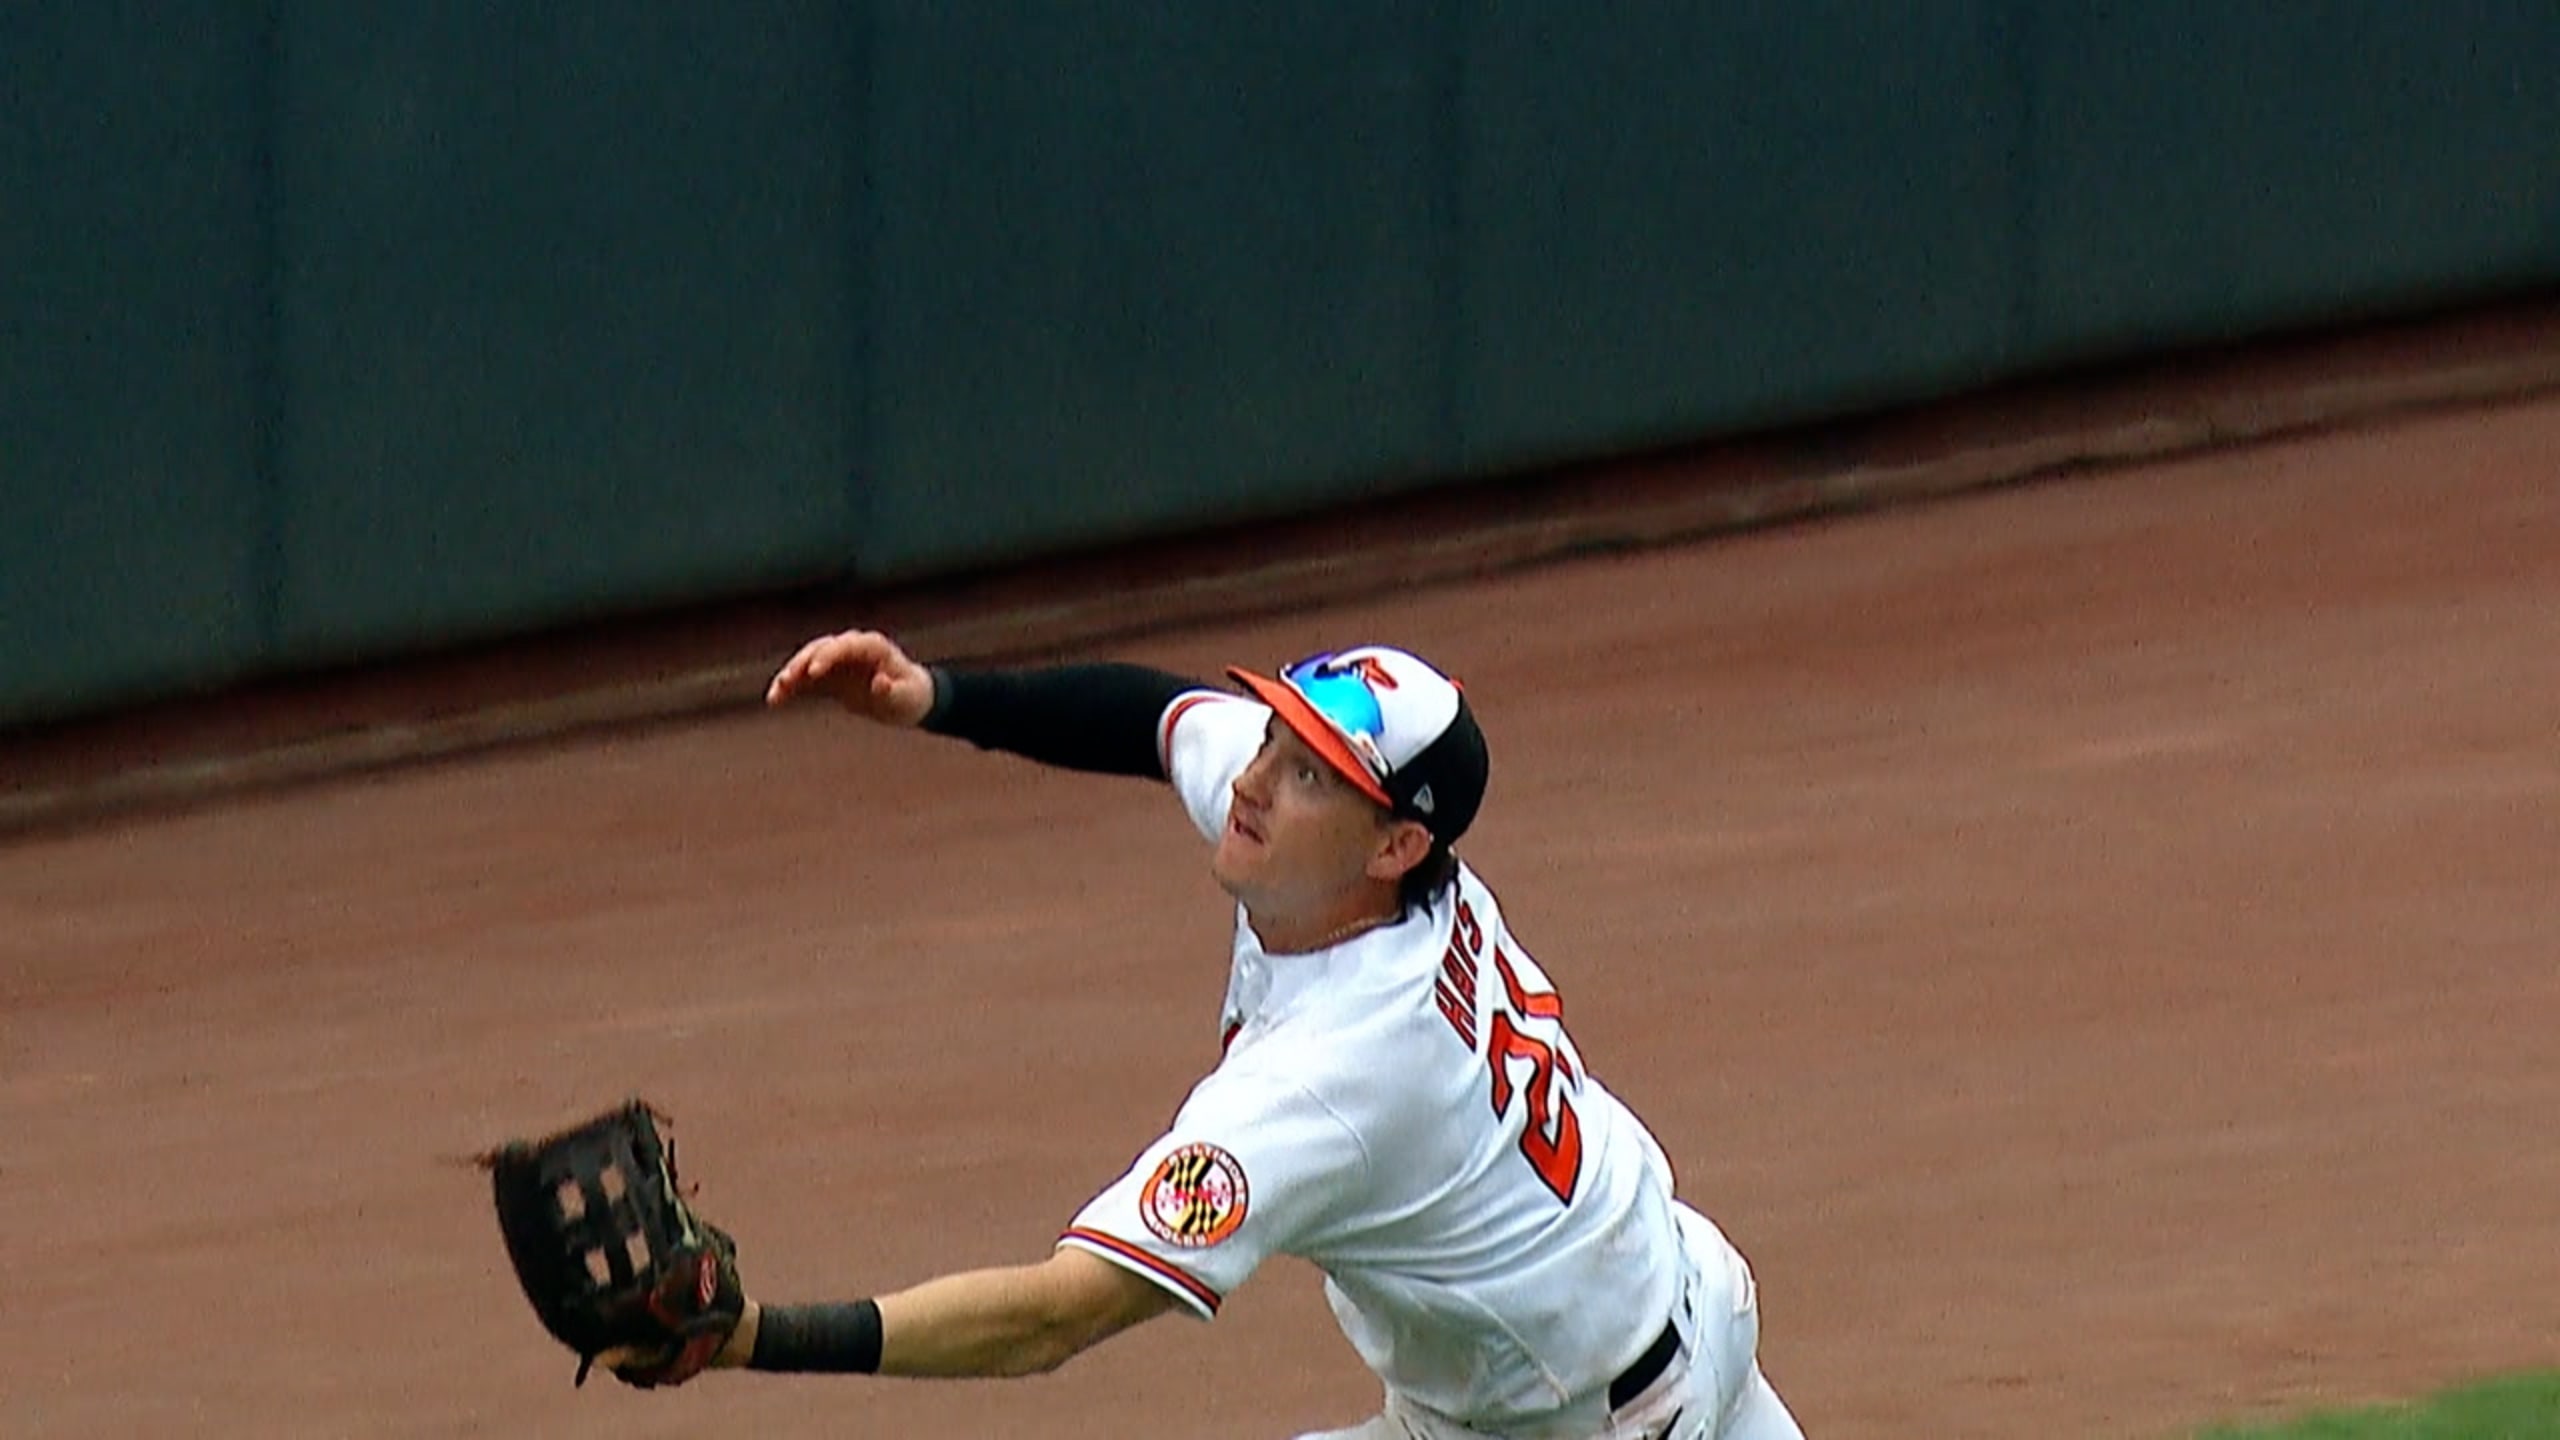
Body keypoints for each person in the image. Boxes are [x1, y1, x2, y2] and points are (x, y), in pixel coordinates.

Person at [699, 628, 1805, 1439]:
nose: (1256, 782)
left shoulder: (1332, 1076)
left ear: (1392, 846)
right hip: (1681, 1294)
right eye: (1276, 740)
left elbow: (1054, 1316)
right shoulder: (1352, 867)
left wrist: (756, 1336)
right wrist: (932, 695)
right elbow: (1152, 718)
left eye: (1309, 773)